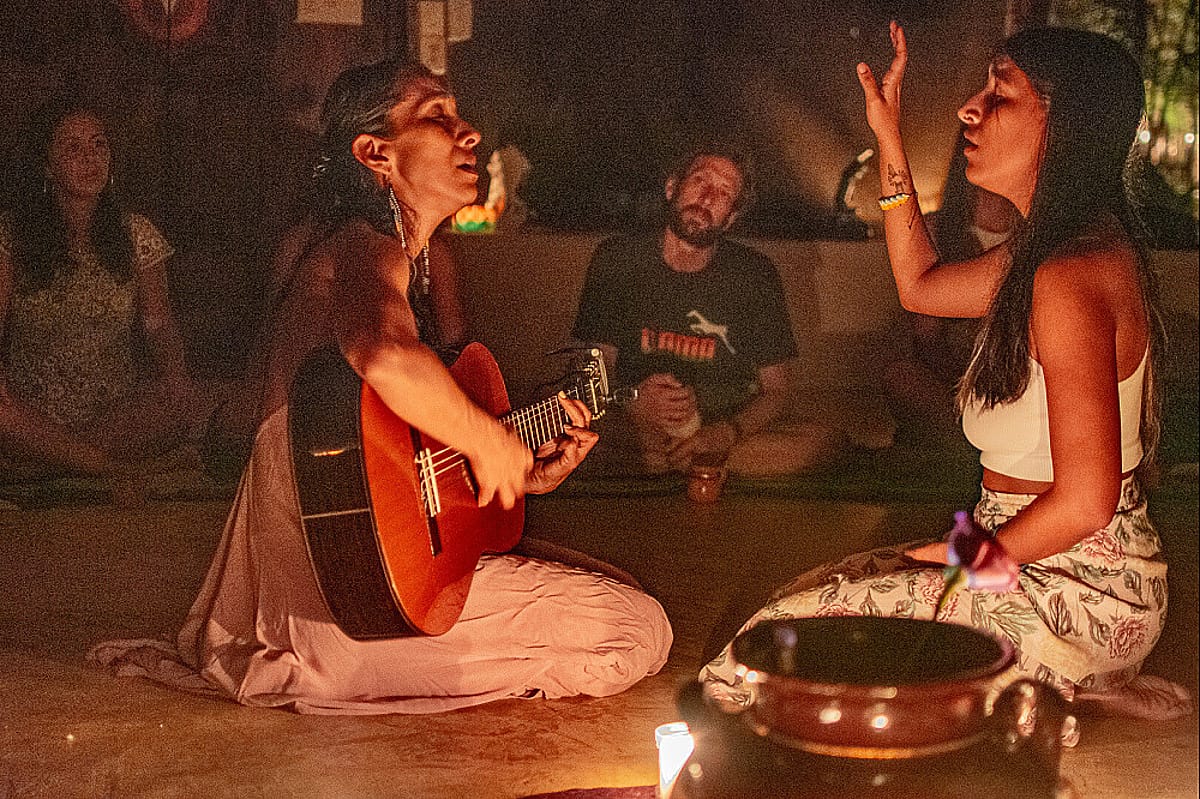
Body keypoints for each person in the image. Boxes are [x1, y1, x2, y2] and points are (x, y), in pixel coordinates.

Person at [89, 59, 671, 714]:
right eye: (436, 115)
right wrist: (487, 439)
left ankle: (367, 666)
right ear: (376, 153)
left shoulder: (378, 252)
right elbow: (386, 356)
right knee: (639, 627)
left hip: (348, 584)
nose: (470, 133)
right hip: (339, 606)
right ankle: (355, 669)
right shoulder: (368, 244)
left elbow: (390, 468)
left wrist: (516, 467)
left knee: (613, 585)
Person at [702, 23, 1192, 724]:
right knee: (813, 597)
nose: (969, 107)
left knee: (759, 663)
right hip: (1017, 556)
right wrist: (888, 134)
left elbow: (1087, 502)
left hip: (1079, 583)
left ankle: (1065, 677)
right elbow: (921, 285)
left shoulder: (1070, 273)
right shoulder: (1042, 258)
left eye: (1000, 91)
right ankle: (1068, 683)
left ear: (1062, 123)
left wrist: (959, 563)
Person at [572, 143, 847, 478]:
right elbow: (591, 369)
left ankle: (688, 464)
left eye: (724, 192)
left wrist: (724, 434)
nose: (707, 197)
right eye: (700, 181)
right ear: (672, 187)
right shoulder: (617, 258)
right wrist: (630, 404)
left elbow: (776, 391)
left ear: (731, 217)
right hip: (636, 425)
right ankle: (678, 464)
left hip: (721, 426)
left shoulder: (755, 274)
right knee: (562, 426)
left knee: (823, 442)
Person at [0, 102, 194, 488]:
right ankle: (105, 466)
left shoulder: (135, 233)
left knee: (174, 403)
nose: (90, 158)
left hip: (114, 412)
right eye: (73, 148)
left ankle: (46, 465)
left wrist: (174, 370)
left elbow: (158, 322)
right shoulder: (12, 236)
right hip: (32, 412)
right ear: (48, 165)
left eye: (98, 145)